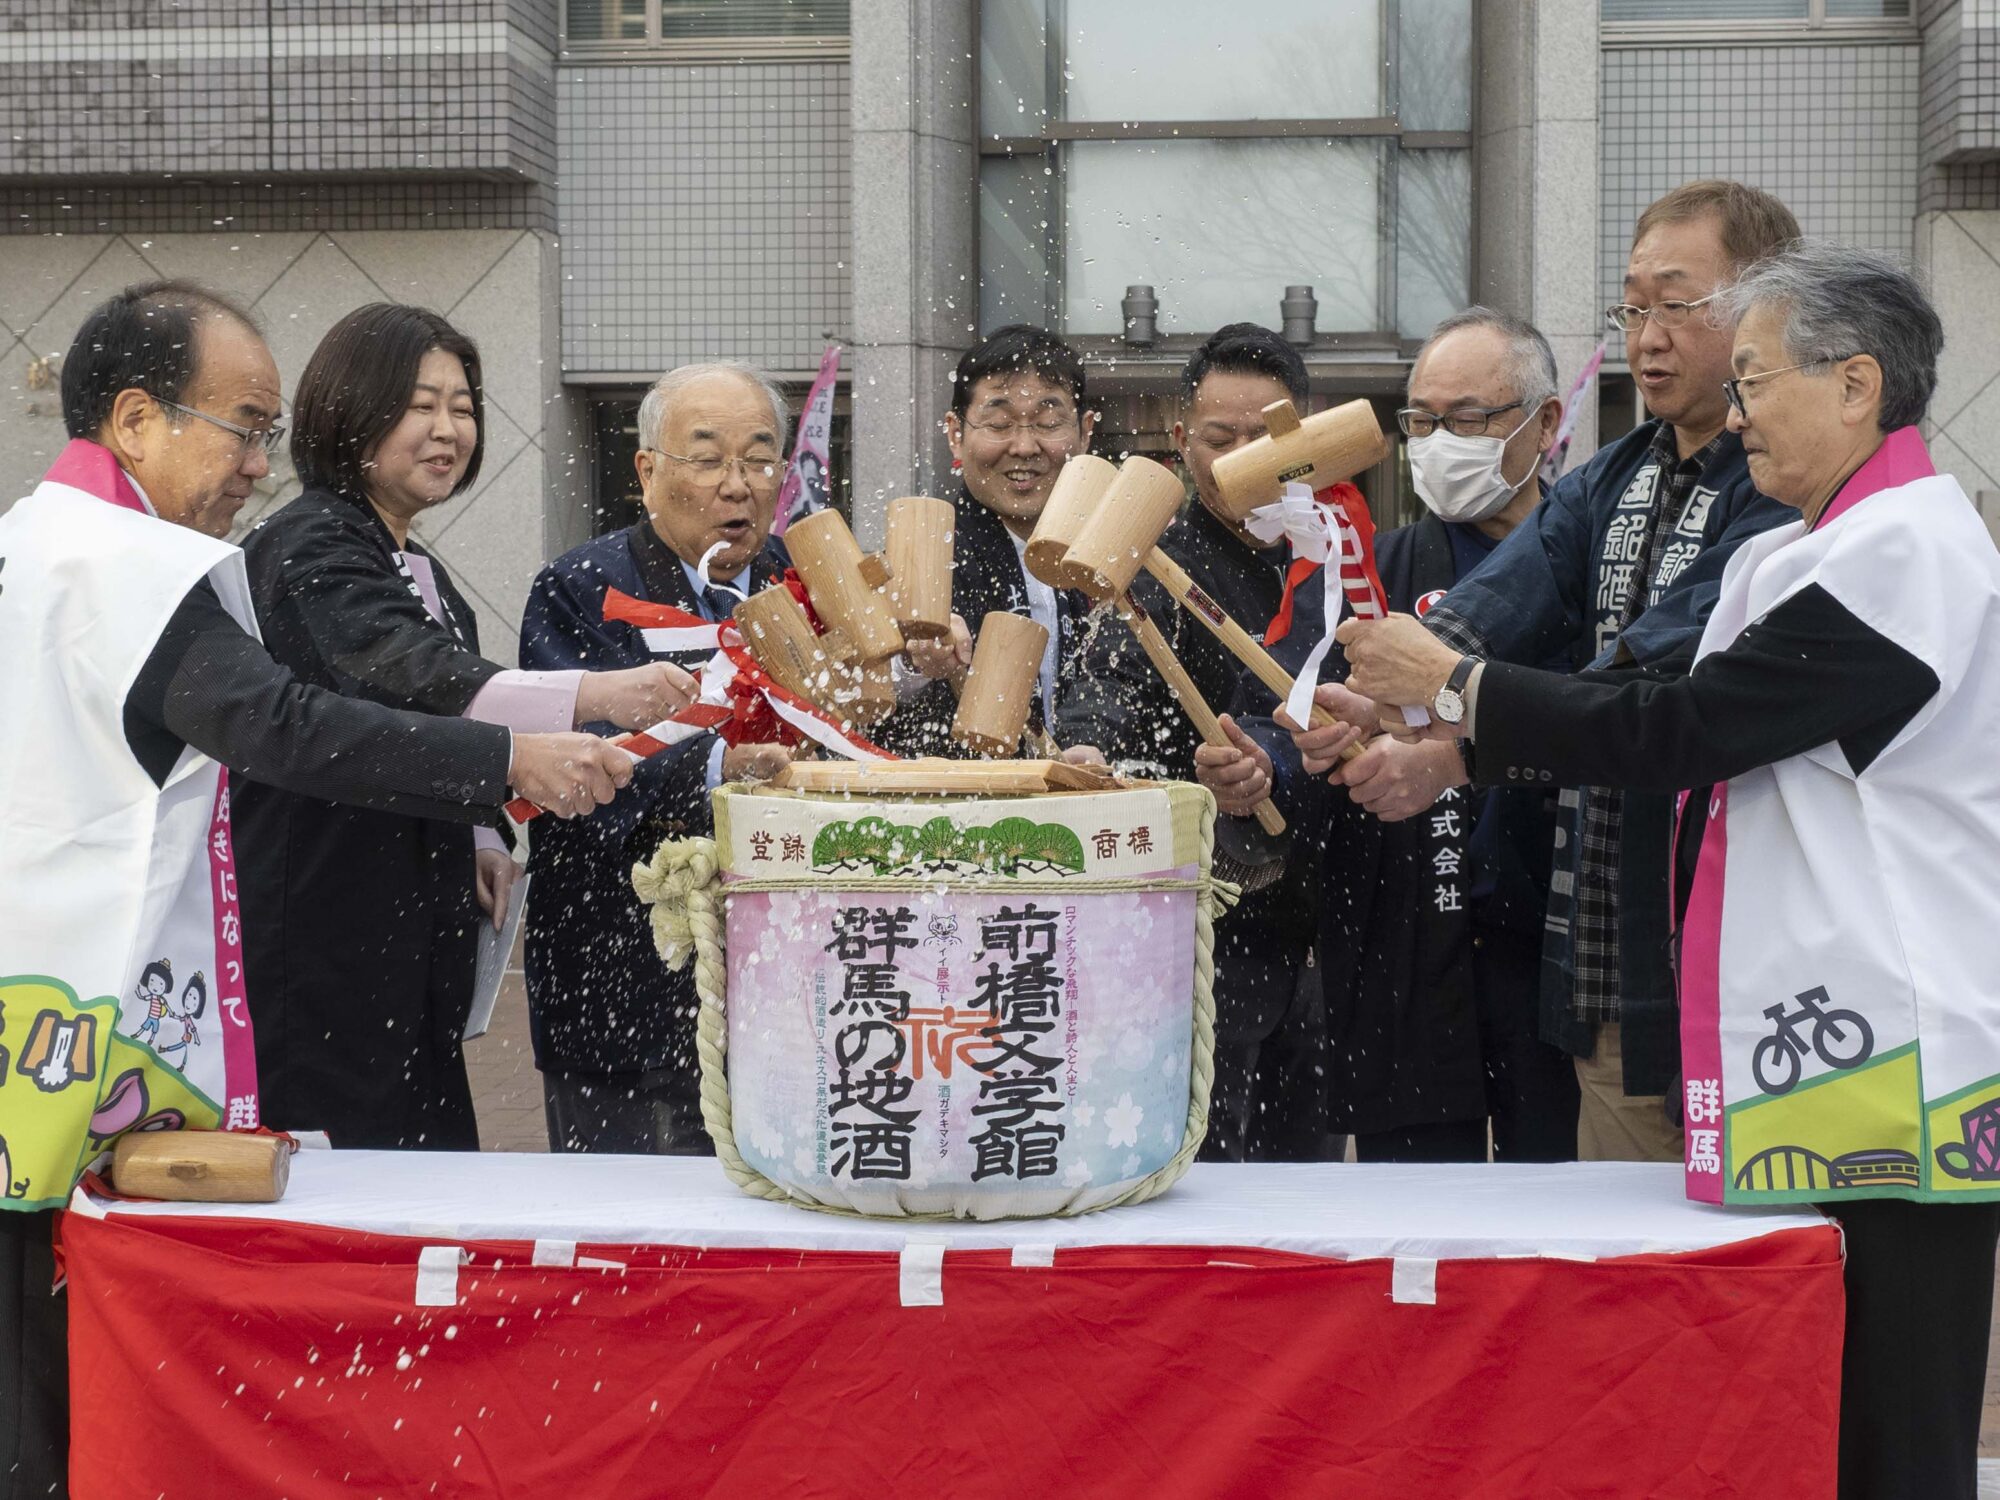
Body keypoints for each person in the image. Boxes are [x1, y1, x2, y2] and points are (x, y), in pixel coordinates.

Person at [1339, 242, 2000, 1500]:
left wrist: (1459, 686)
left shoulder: (1907, 548)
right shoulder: (1810, 545)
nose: (1734, 413)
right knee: (1802, 1391)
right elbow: (1653, 705)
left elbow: (1689, 729)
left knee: (1890, 1417)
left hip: (1893, 1051)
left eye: (1752, 380)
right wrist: (1454, 743)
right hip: (1829, 1039)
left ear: (1854, 384)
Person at [0, 280, 629, 1497]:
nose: (256, 465)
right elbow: (282, 724)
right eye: (242, 427)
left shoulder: (43, 537)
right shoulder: (117, 563)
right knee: (57, 1358)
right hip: (94, 1010)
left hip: (52, 998)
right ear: (135, 420)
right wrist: (508, 761)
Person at [233, 304, 697, 1151]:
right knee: (349, 1182)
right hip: (325, 935)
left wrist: (483, 834)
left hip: (410, 946)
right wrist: (598, 692)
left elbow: (432, 715)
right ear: (350, 410)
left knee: (423, 1163)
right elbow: (409, 676)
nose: (448, 429)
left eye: (462, 406)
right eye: (421, 405)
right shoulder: (308, 541)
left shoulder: (418, 564)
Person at [1408, 180, 1799, 1162]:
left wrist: (1442, 697)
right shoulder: (1614, 475)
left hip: (1743, 958)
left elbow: (1654, 668)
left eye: (1676, 304)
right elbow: (1497, 599)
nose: (1647, 338)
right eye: (1631, 309)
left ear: (1767, 307)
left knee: (1733, 1231)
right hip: (1604, 953)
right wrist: (1383, 695)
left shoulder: (1784, 490)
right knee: (1632, 1228)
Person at [1198, 309, 1578, 1162]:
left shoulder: (1586, 565)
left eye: (1468, 419)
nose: (1439, 443)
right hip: (1403, 939)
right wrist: (1266, 765)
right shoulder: (1373, 568)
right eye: (1422, 422)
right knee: (1414, 1205)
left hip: (1550, 941)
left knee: (1561, 1191)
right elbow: (1298, 699)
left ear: (1545, 422)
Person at [1054, 324, 1332, 1160]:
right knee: (1212, 1166)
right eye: (1220, 439)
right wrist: (1089, 750)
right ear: (1181, 440)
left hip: (1333, 916)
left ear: (1304, 438)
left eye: (1264, 439)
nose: (1242, 459)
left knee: (1319, 1181)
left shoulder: (1337, 555)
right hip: (1213, 937)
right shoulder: (1153, 562)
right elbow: (1104, 684)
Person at [519, 362, 796, 1153]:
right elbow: (580, 763)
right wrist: (719, 769)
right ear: (647, 472)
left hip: (780, 989)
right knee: (629, 1209)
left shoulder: (804, 584)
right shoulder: (581, 587)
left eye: (758, 459)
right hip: (622, 982)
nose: (737, 485)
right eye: (707, 460)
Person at [880, 325, 1101, 757]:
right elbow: (866, 695)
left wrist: (1096, 742)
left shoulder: (1107, 555)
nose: (1024, 447)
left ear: (1085, 431)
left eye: (1048, 423)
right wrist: (913, 659)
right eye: (999, 424)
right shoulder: (921, 558)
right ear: (955, 433)